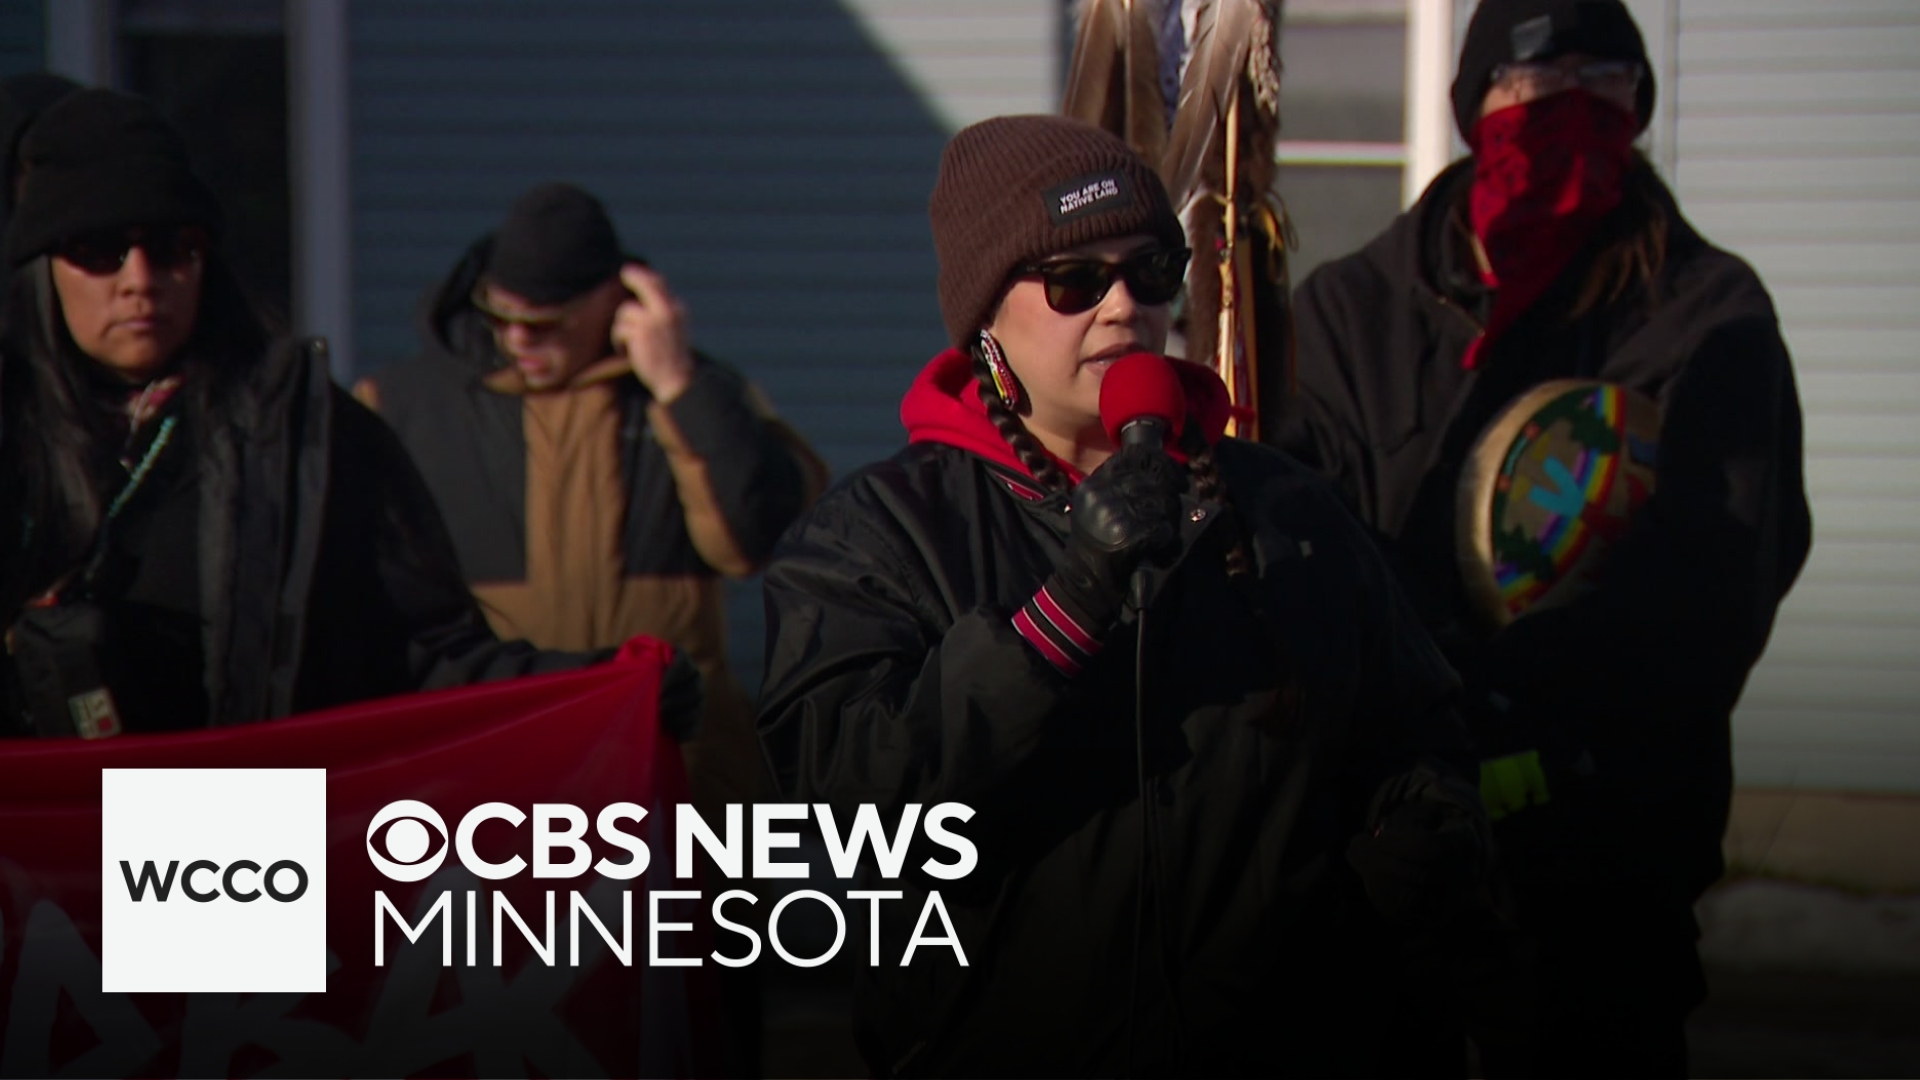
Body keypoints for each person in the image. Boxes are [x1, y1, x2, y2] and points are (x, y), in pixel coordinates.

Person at [756, 114, 1487, 1077]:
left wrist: (1388, 925)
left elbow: (1421, 746)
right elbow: (853, 823)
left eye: (1149, 271)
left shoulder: (1285, 508)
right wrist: (1070, 605)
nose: (1121, 308)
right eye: (1072, 280)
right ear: (984, 317)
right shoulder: (875, 538)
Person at [1276, 1, 1813, 1074]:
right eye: (1536, 84)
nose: (1573, 109)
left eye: (1607, 85)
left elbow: (1720, 572)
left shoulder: (1706, 318)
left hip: (1605, 853)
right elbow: (1309, 532)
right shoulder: (1352, 311)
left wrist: (1527, 709)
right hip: (1389, 849)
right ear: (1477, 105)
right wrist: (1419, 709)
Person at [0, 90, 627, 737]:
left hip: (234, 826)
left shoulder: (300, 434)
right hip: (31, 819)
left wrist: (602, 689)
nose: (140, 278)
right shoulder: (15, 432)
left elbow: (422, 652)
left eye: (171, 246)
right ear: (43, 270)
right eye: (100, 250)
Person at [354, 180, 827, 816]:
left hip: (673, 776)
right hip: (490, 779)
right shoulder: (403, 407)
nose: (518, 339)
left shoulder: (701, 397)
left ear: (616, 300)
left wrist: (681, 387)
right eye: (501, 318)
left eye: (544, 324)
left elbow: (753, 541)